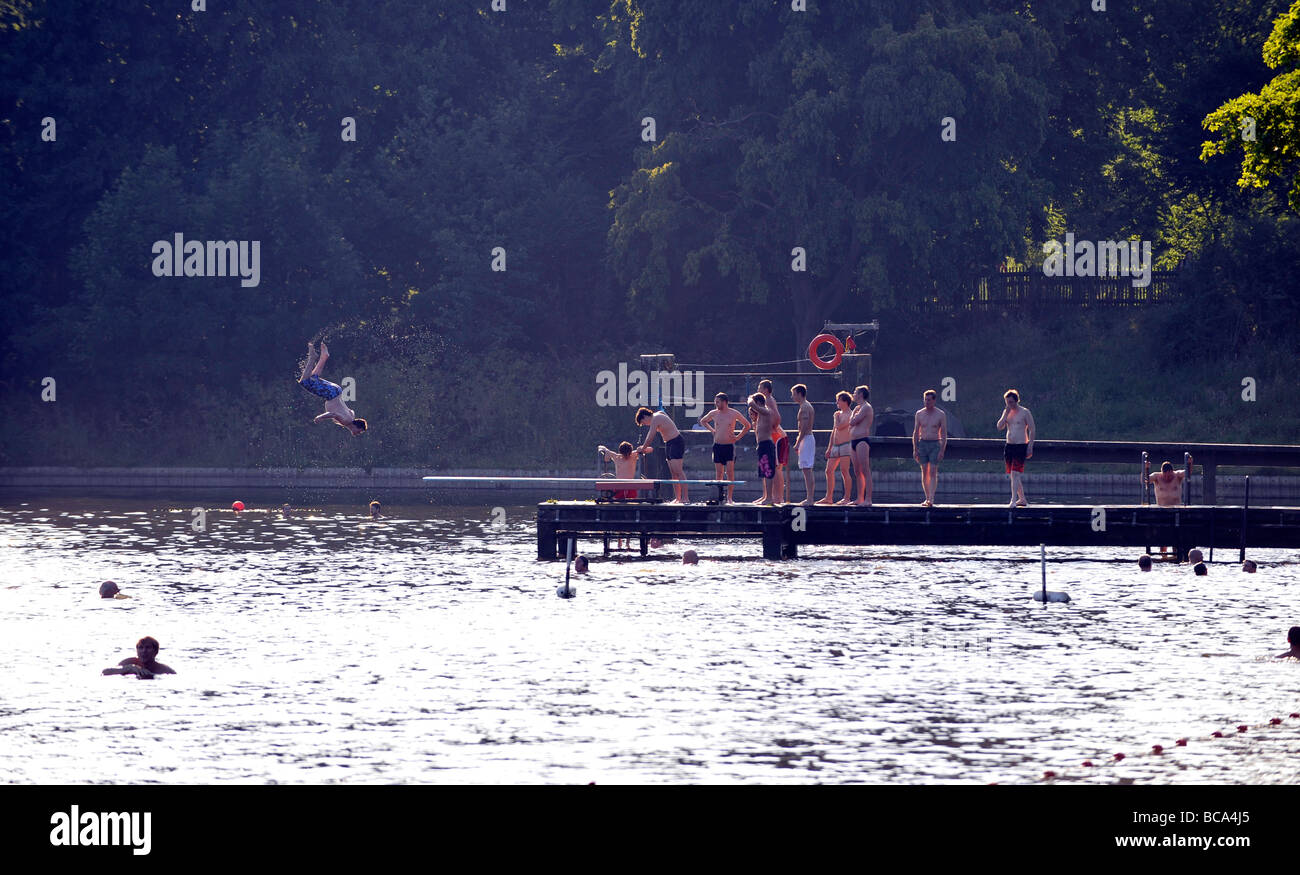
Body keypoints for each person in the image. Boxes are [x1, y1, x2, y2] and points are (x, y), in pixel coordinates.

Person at [299, 341, 367, 436]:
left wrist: (339, 408)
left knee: (312, 378)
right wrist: (320, 417)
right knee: (305, 382)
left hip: (336, 391)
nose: (357, 433)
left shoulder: (351, 416)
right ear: (356, 426)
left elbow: (351, 410)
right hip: (331, 394)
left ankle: (324, 357)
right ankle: (313, 357)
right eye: (359, 431)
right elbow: (333, 414)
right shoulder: (346, 421)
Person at [698, 394, 750, 503]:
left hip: (729, 446)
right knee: (719, 473)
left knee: (730, 472)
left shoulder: (733, 413)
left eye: (718, 402)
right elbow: (703, 421)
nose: (716, 404)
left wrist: (737, 437)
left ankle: (730, 498)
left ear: (724, 402)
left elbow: (747, 425)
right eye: (715, 402)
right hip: (717, 446)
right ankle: (719, 497)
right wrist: (712, 430)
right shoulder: (714, 413)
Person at [635, 407, 688, 504]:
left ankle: (686, 498)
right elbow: (662, 412)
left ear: (645, 417)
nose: (645, 425)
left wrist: (642, 448)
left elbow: (650, 436)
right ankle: (678, 498)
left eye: (643, 423)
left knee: (678, 471)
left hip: (676, 442)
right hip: (668, 443)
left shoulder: (655, 418)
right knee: (673, 473)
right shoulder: (658, 414)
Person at [996, 389, 1034, 507]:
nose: (1009, 405)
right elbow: (999, 427)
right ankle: (1022, 499)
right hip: (1009, 445)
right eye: (1007, 402)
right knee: (1013, 474)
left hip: (1021, 445)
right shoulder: (1006, 411)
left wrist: (1030, 446)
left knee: (1015, 473)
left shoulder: (1025, 412)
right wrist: (1006, 413)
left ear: (1016, 401)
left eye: (1011, 402)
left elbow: (1032, 429)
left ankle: (1013, 499)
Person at [818, 392, 854, 505]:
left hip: (845, 445)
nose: (837, 402)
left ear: (845, 401)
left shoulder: (849, 414)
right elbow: (834, 431)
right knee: (828, 470)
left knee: (844, 471)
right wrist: (829, 448)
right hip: (835, 446)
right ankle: (828, 497)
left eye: (838, 400)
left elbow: (839, 426)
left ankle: (847, 498)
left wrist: (836, 417)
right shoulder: (838, 414)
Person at [913, 389, 948, 507]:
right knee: (924, 470)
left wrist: (942, 449)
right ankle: (927, 497)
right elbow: (916, 432)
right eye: (925, 400)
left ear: (934, 400)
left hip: (934, 444)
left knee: (933, 470)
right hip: (922, 443)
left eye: (929, 400)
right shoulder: (919, 413)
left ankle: (931, 498)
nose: (926, 402)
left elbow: (943, 433)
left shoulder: (940, 414)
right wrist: (915, 448)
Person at [757, 380, 788, 503]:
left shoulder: (769, 400)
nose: (758, 389)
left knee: (776, 467)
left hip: (776, 436)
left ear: (765, 389)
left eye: (759, 387)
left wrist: (772, 428)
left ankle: (778, 497)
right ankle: (766, 496)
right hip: (769, 438)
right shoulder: (766, 402)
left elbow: (777, 417)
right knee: (767, 467)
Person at [747, 394, 778, 506]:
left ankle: (770, 498)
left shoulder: (766, 411)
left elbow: (750, 403)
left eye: (756, 403)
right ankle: (766, 496)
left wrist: (750, 397)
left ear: (758, 402)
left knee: (768, 472)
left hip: (767, 445)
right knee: (764, 472)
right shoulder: (760, 414)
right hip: (762, 445)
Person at [790, 384, 816, 505]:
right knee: (806, 469)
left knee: (807, 469)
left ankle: (810, 498)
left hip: (806, 438)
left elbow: (804, 427)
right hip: (806, 438)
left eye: (794, 394)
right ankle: (809, 497)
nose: (792, 396)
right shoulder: (804, 406)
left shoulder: (805, 407)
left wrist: (797, 442)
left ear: (799, 394)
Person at [102, 637, 175, 679]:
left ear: (155, 651)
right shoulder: (129, 662)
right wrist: (128, 669)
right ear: (136, 650)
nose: (144, 651)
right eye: (141, 648)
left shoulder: (164, 670)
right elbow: (105, 672)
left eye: (148, 648)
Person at [848, 385, 873, 507]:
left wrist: (853, 414)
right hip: (853, 441)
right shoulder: (857, 408)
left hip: (862, 440)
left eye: (855, 392)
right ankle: (859, 498)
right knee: (857, 471)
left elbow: (852, 422)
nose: (853, 394)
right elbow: (852, 423)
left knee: (865, 469)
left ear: (861, 394)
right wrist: (854, 412)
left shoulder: (866, 407)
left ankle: (868, 499)